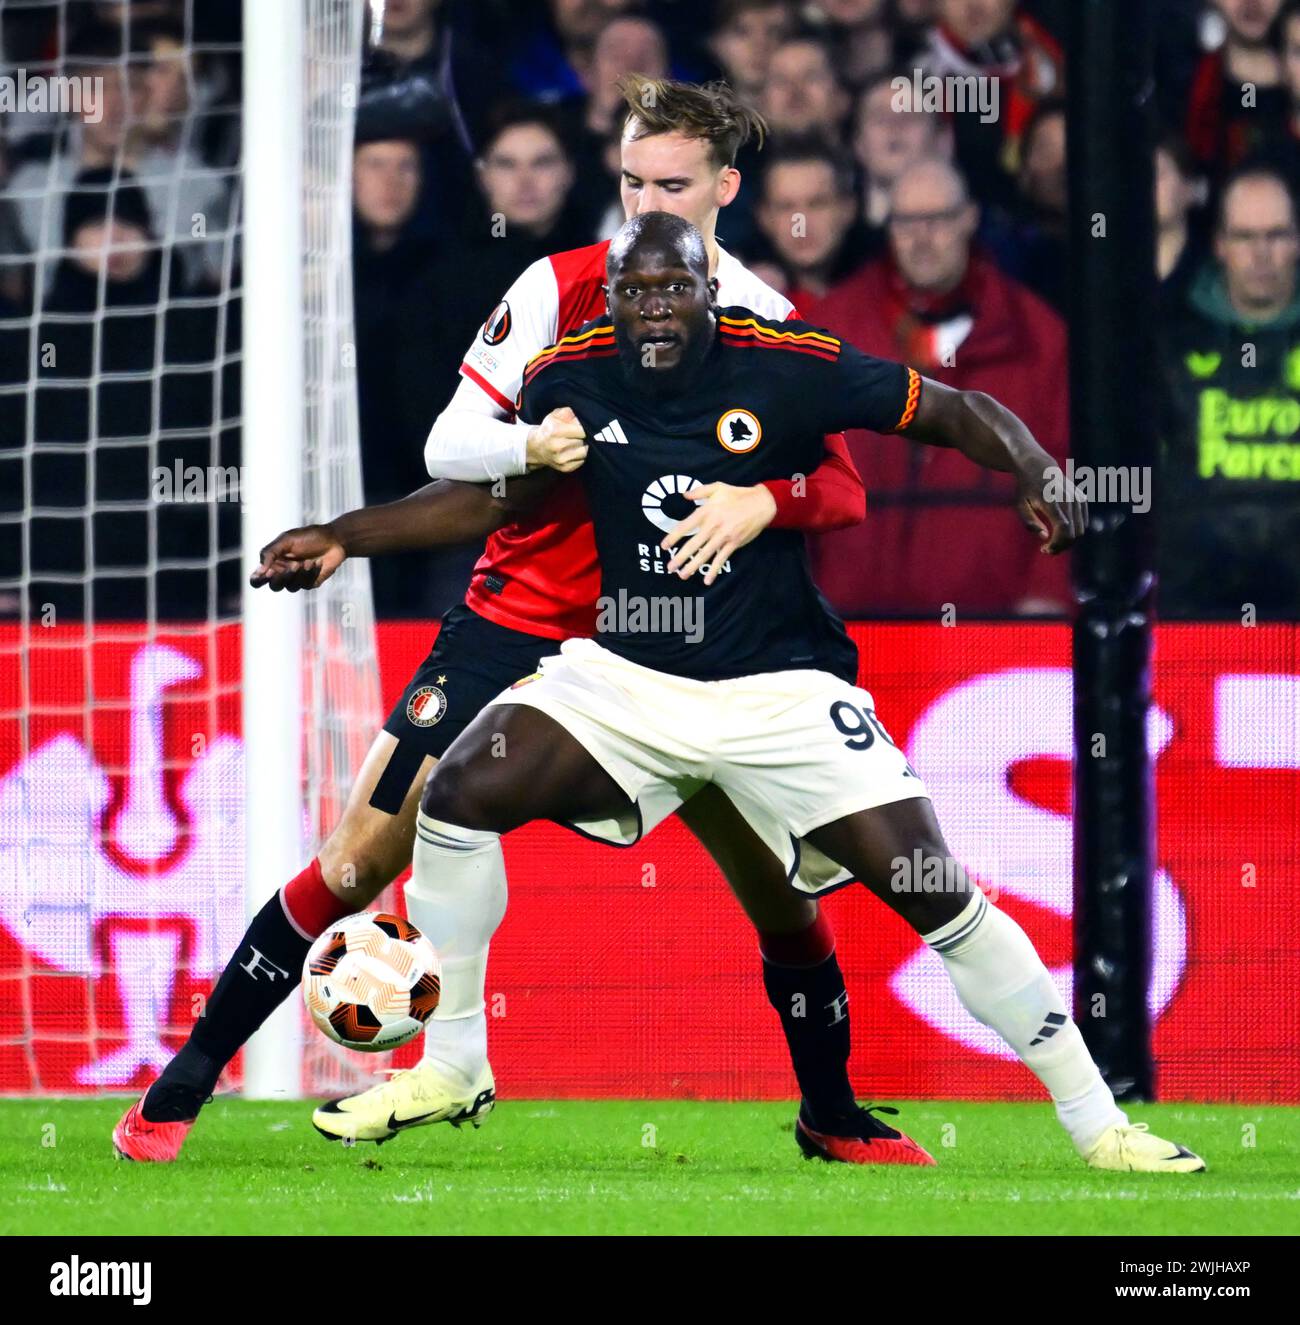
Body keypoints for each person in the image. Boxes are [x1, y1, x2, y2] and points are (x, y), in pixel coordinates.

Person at [112, 76, 912, 1169]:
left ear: (727, 188)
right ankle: (180, 1089)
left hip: (684, 652)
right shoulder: (556, 289)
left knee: (772, 889)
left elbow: (845, 486)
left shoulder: (765, 322)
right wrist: (468, 475)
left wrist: (767, 498)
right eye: (631, 181)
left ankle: (831, 1113)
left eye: (672, 184)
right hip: (520, 621)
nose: (647, 205)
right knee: (357, 854)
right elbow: (459, 455)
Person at [408, 211, 1204, 1173]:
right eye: (634, 292)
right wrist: (483, 471)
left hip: (780, 689)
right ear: (608, 299)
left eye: (673, 288)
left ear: (710, 290)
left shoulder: (786, 361)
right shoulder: (565, 375)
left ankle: (1098, 1121)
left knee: (935, 892)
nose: (654, 310)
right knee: (456, 793)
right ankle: (454, 1061)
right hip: (629, 679)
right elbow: (468, 474)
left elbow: (949, 409)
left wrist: (1034, 462)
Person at [810, 156, 1071, 617]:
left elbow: (1066, 469)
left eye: (938, 220)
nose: (921, 238)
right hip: (850, 623)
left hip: (996, 633)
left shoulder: (1038, 336)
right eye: (906, 222)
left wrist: (1047, 599)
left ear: (970, 218)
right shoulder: (830, 330)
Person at [1158, 165, 1300, 618]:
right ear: (1219, 245)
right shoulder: (1168, 344)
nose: (1262, 254)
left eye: (1276, 235)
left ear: (1297, 242)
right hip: (1193, 613)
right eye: (1244, 237)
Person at [754, 136, 872, 315]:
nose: (802, 223)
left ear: (848, 209)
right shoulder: (739, 300)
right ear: (764, 217)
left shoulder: (886, 292)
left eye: (817, 204)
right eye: (786, 207)